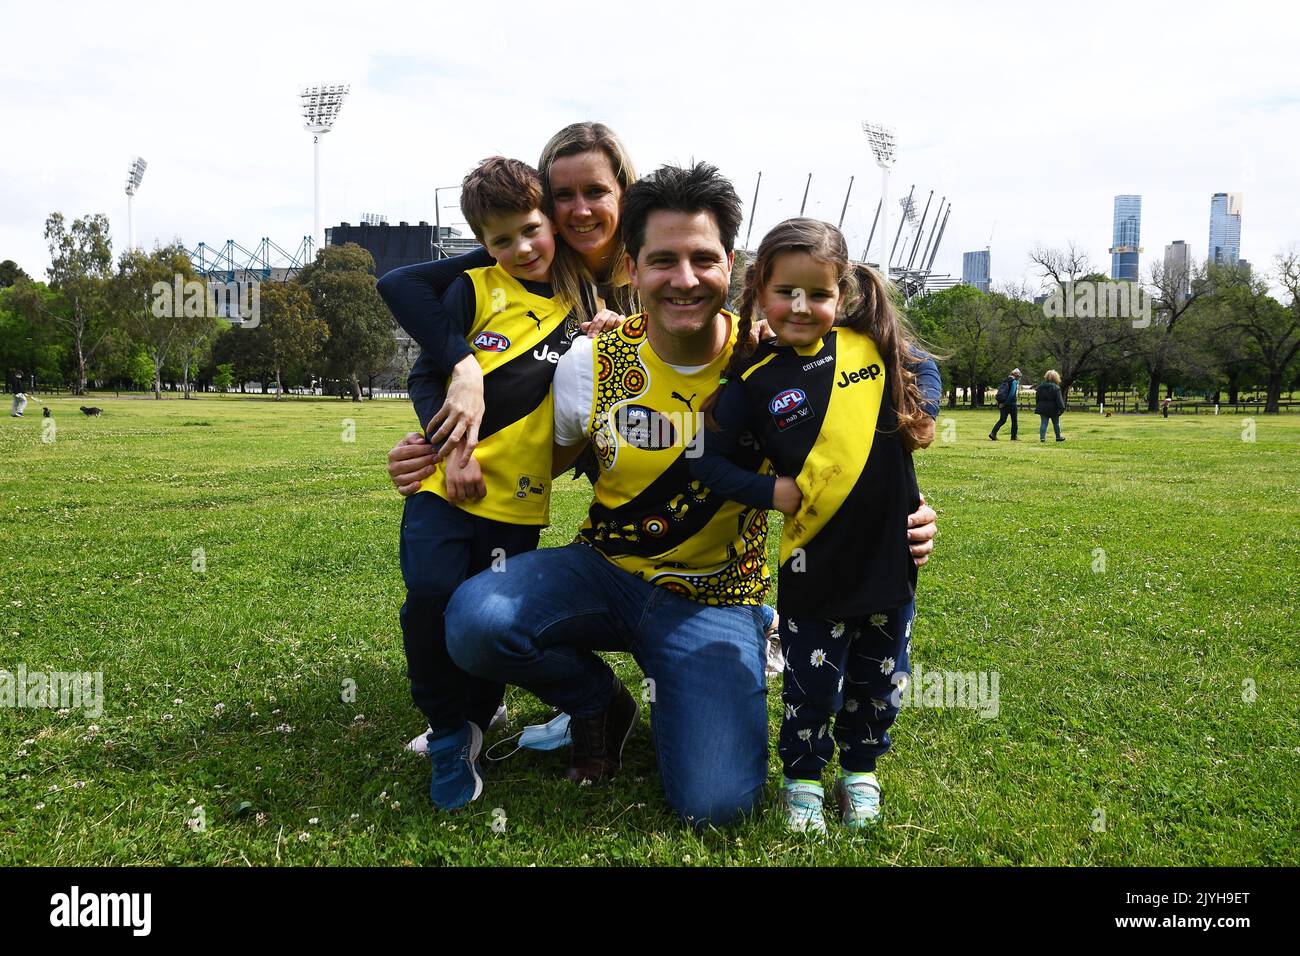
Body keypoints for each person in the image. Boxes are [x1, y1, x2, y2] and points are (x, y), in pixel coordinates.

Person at [437, 163, 939, 829]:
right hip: (603, 571)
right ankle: (599, 703)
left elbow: (874, 418)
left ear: (731, 265)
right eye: (662, 259)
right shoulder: (592, 360)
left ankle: (737, 650)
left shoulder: (770, 358)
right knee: (478, 620)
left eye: (702, 258)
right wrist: (443, 450)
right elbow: (542, 455)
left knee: (717, 805)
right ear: (632, 265)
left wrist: (911, 511)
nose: (683, 278)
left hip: (716, 597)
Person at [689, 219, 937, 833]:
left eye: (819, 294)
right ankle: (802, 779)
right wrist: (771, 489)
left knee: (878, 684)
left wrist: (917, 416)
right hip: (811, 568)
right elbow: (706, 459)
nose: (802, 307)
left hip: (889, 563)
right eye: (786, 292)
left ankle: (861, 773)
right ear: (759, 292)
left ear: (843, 292)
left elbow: (926, 373)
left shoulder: (873, 348)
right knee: (811, 686)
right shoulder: (753, 380)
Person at [391, 156, 603, 810]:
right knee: (430, 594)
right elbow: (428, 376)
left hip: (517, 506)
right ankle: (447, 726)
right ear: (483, 244)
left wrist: (609, 335)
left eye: (532, 230)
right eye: (501, 240)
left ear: (554, 224)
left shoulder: (585, 303)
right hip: (443, 487)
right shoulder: (474, 288)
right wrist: (449, 442)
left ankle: (480, 717)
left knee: (482, 617)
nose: (522, 248)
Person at [989, 367, 1021, 440]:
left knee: (1002, 419)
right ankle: (1014, 436)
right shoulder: (1013, 382)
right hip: (1011, 403)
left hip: (1002, 403)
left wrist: (1001, 403)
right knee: (1014, 420)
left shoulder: (1005, 381)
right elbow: (1012, 394)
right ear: (1017, 375)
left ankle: (993, 433)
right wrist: (1006, 403)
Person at [1035, 369, 1066, 442]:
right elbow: (1059, 399)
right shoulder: (1056, 387)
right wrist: (1061, 408)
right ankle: (1058, 437)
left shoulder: (1040, 387)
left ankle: (1042, 438)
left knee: (1043, 423)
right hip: (1053, 407)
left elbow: (1037, 398)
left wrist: (1038, 406)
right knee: (1056, 423)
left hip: (1042, 407)